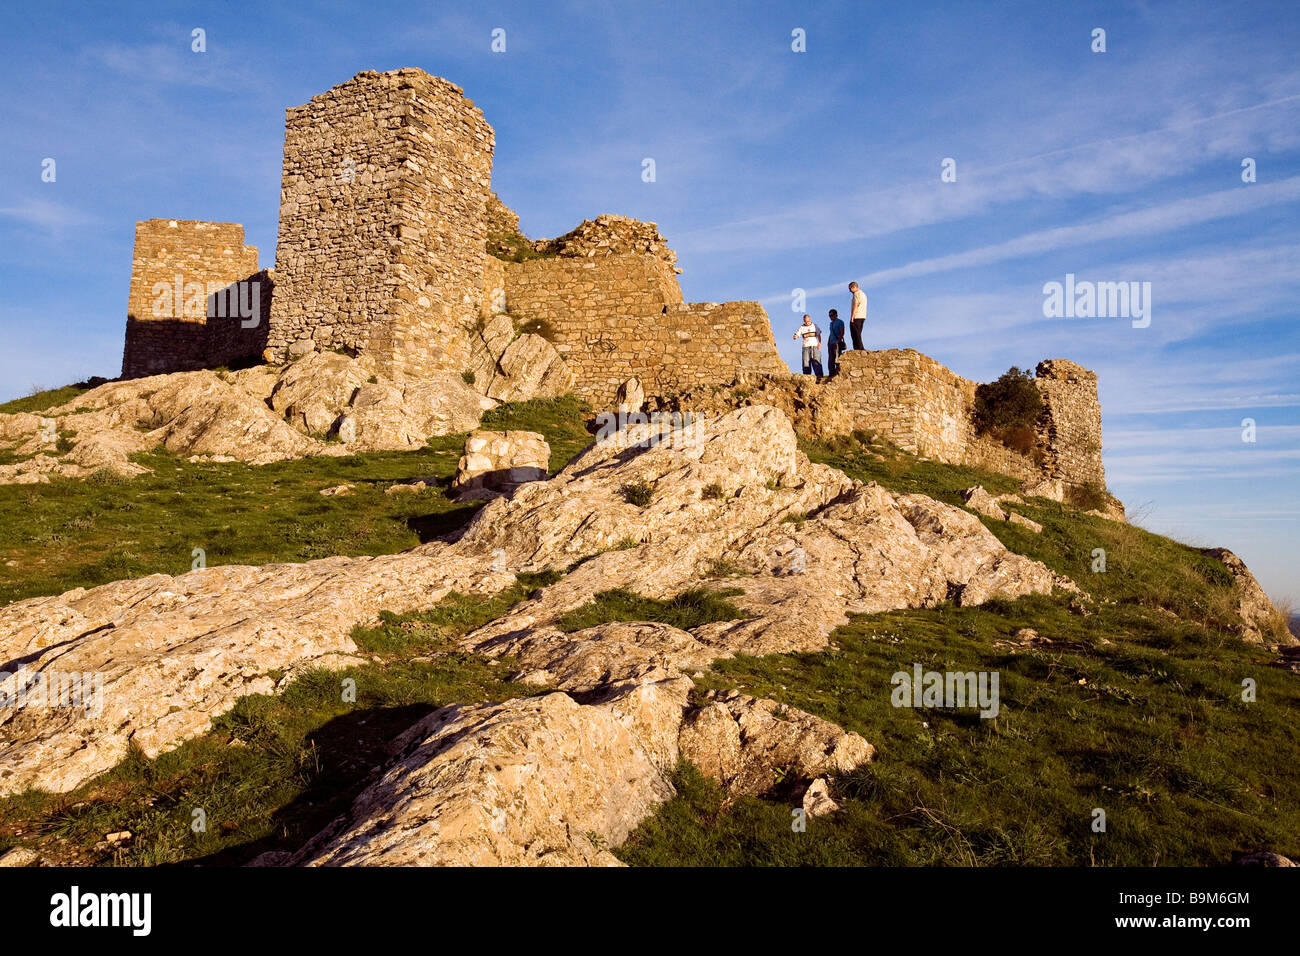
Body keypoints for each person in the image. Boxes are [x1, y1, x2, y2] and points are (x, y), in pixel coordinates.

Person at [826, 308, 846, 376]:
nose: (830, 317)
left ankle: (837, 373)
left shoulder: (840, 322)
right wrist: (828, 342)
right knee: (830, 359)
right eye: (829, 316)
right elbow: (831, 333)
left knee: (837, 358)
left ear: (836, 315)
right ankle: (831, 373)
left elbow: (842, 332)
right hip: (830, 343)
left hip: (836, 343)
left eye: (831, 315)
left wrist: (838, 341)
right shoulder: (831, 324)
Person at [848, 281, 868, 350]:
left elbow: (855, 305)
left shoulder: (856, 294)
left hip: (857, 316)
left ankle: (859, 349)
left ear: (854, 287)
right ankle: (859, 348)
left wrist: (852, 317)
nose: (849, 290)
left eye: (850, 289)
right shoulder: (863, 294)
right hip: (863, 316)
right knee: (858, 333)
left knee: (855, 334)